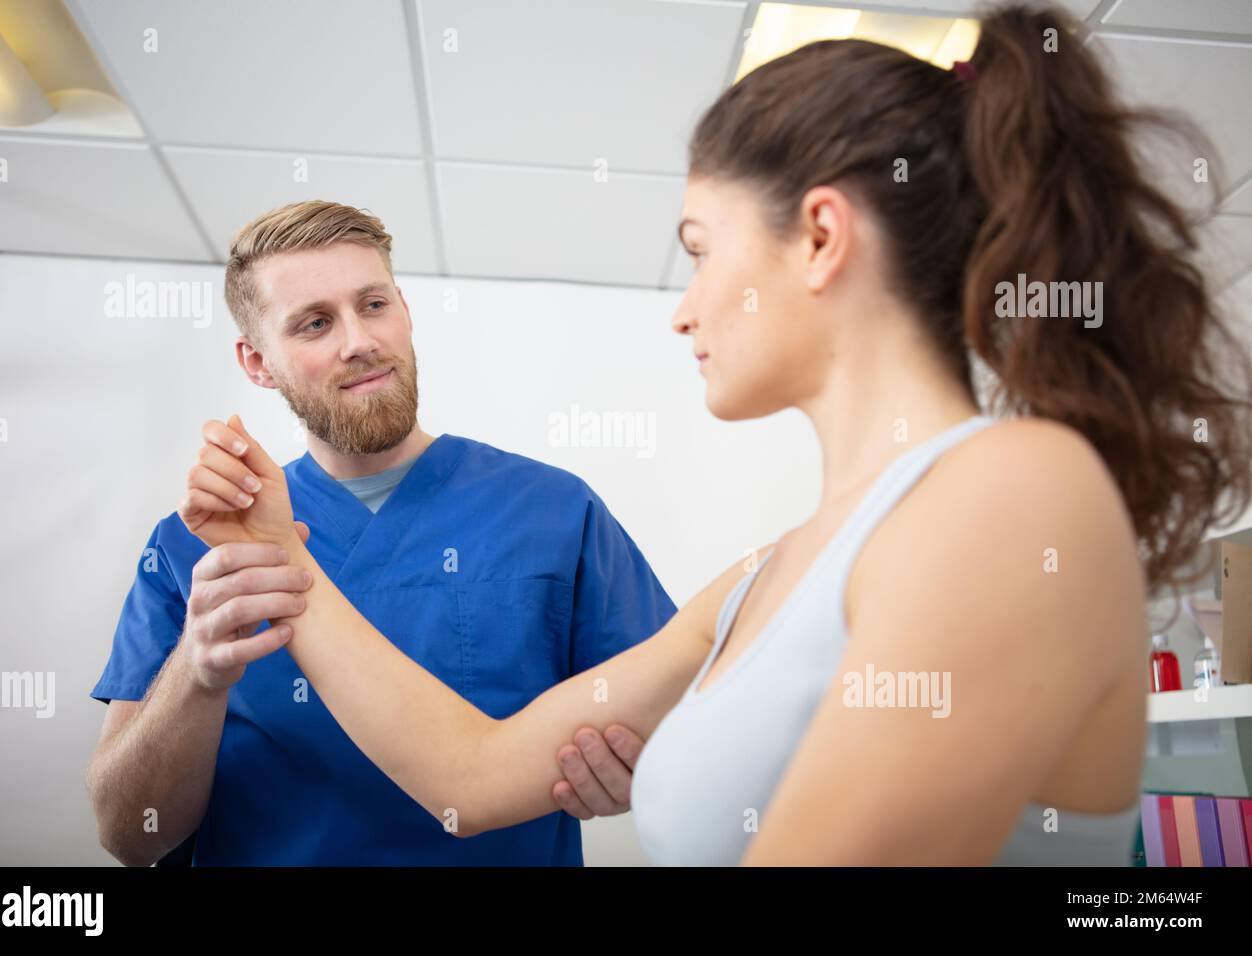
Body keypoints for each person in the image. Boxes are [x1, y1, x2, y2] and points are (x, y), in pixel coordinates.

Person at [177, 2, 1252, 865]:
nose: (682, 307)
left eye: (699, 250)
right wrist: (277, 554)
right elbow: (471, 777)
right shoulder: (756, 579)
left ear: (821, 237)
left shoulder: (1011, 492)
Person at [87, 201, 675, 866]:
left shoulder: (555, 513)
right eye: (314, 323)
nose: (358, 340)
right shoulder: (195, 544)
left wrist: (634, 774)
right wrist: (196, 673)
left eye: (373, 304)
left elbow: (671, 738)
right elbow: (128, 834)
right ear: (257, 363)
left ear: (405, 311)